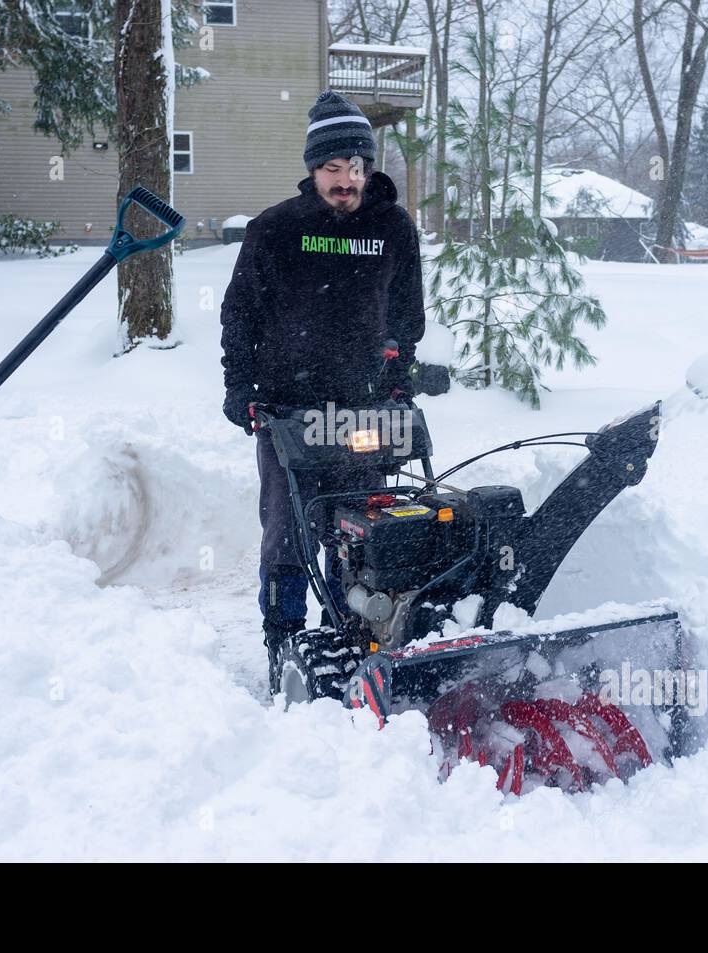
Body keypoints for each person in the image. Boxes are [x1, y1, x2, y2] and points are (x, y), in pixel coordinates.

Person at [219, 90, 425, 686]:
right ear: (313, 171)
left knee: (357, 531)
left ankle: (352, 634)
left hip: (362, 414)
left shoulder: (393, 229)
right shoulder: (276, 230)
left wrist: (396, 376)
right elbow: (240, 315)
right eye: (332, 169)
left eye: (355, 167)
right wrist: (241, 387)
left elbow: (406, 317)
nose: (345, 180)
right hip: (289, 412)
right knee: (288, 534)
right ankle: (282, 639)